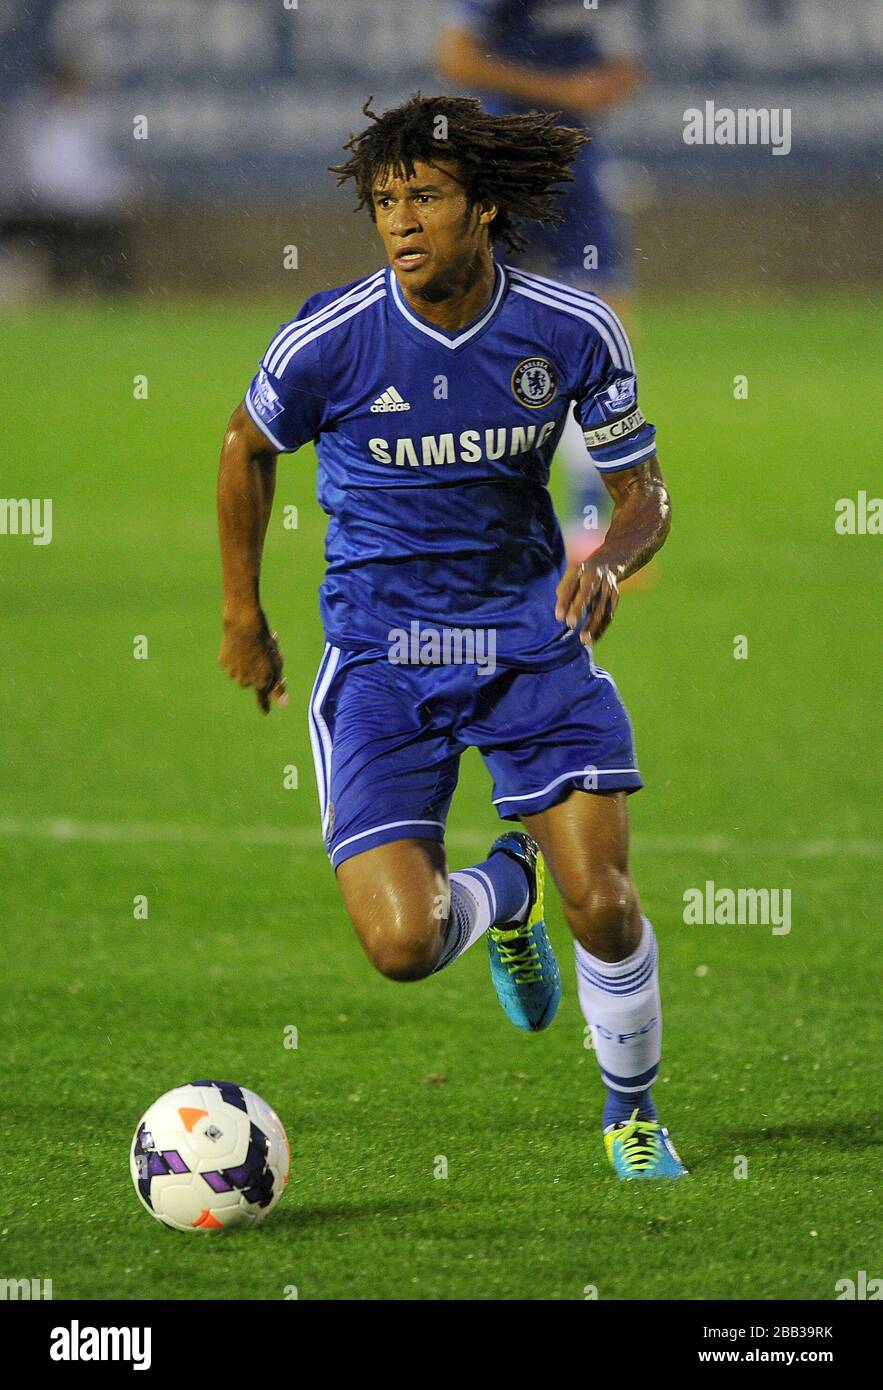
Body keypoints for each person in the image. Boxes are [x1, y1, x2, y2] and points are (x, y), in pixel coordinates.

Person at [217, 94, 685, 1180]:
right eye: (385, 201)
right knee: (403, 944)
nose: (400, 220)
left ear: (482, 207)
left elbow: (645, 494)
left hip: (528, 644)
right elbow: (245, 445)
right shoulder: (331, 336)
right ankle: (505, 891)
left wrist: (608, 560)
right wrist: (245, 615)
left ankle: (631, 1114)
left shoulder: (570, 330)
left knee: (605, 906)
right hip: (383, 662)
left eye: (424, 196)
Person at [437, 0, 643, 558]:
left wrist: (614, 78)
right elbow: (456, 57)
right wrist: (562, 90)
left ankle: (589, 521)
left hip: (577, 160)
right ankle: (462, 508)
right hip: (504, 157)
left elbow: (613, 57)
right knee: (469, 331)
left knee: (606, 330)